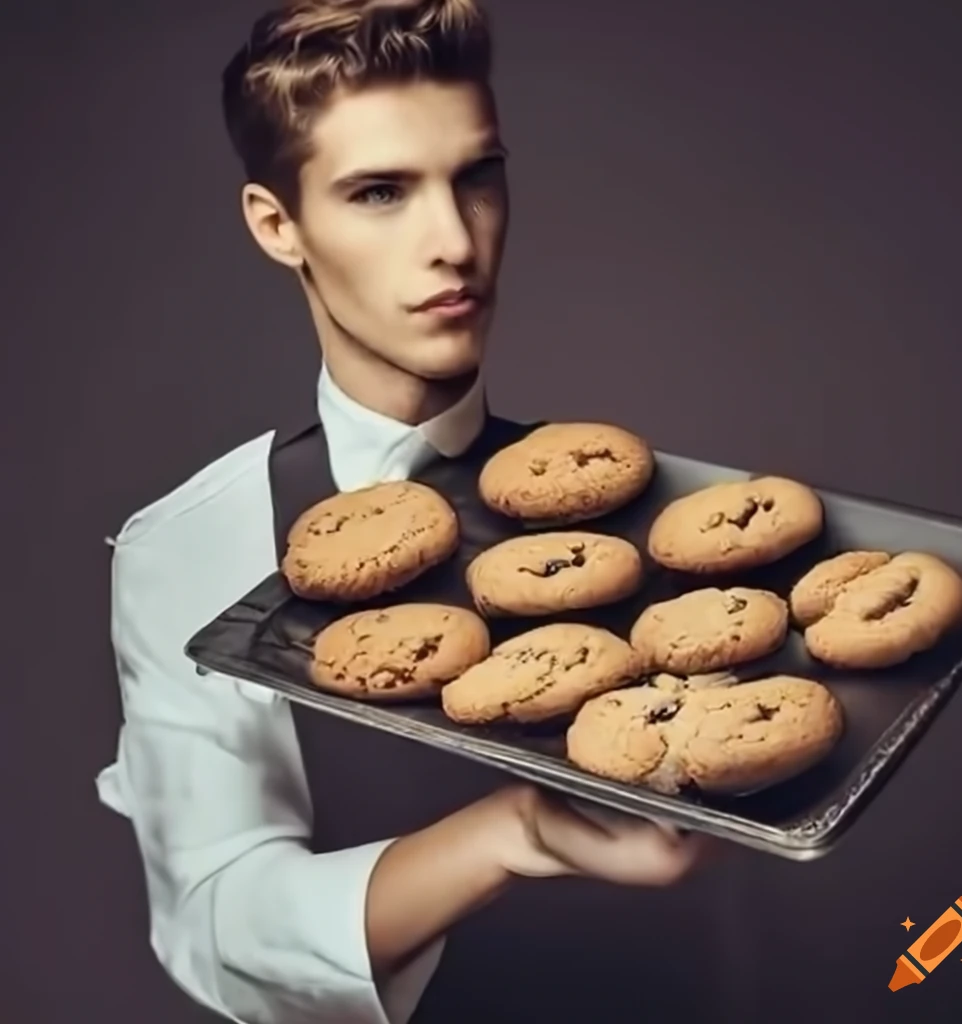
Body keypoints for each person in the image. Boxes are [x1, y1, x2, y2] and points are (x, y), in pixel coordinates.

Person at [97, 1, 712, 1022]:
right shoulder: (197, 542)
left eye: (477, 176)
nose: (454, 241)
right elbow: (212, 925)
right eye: (380, 192)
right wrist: (509, 834)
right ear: (278, 225)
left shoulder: (655, 508)